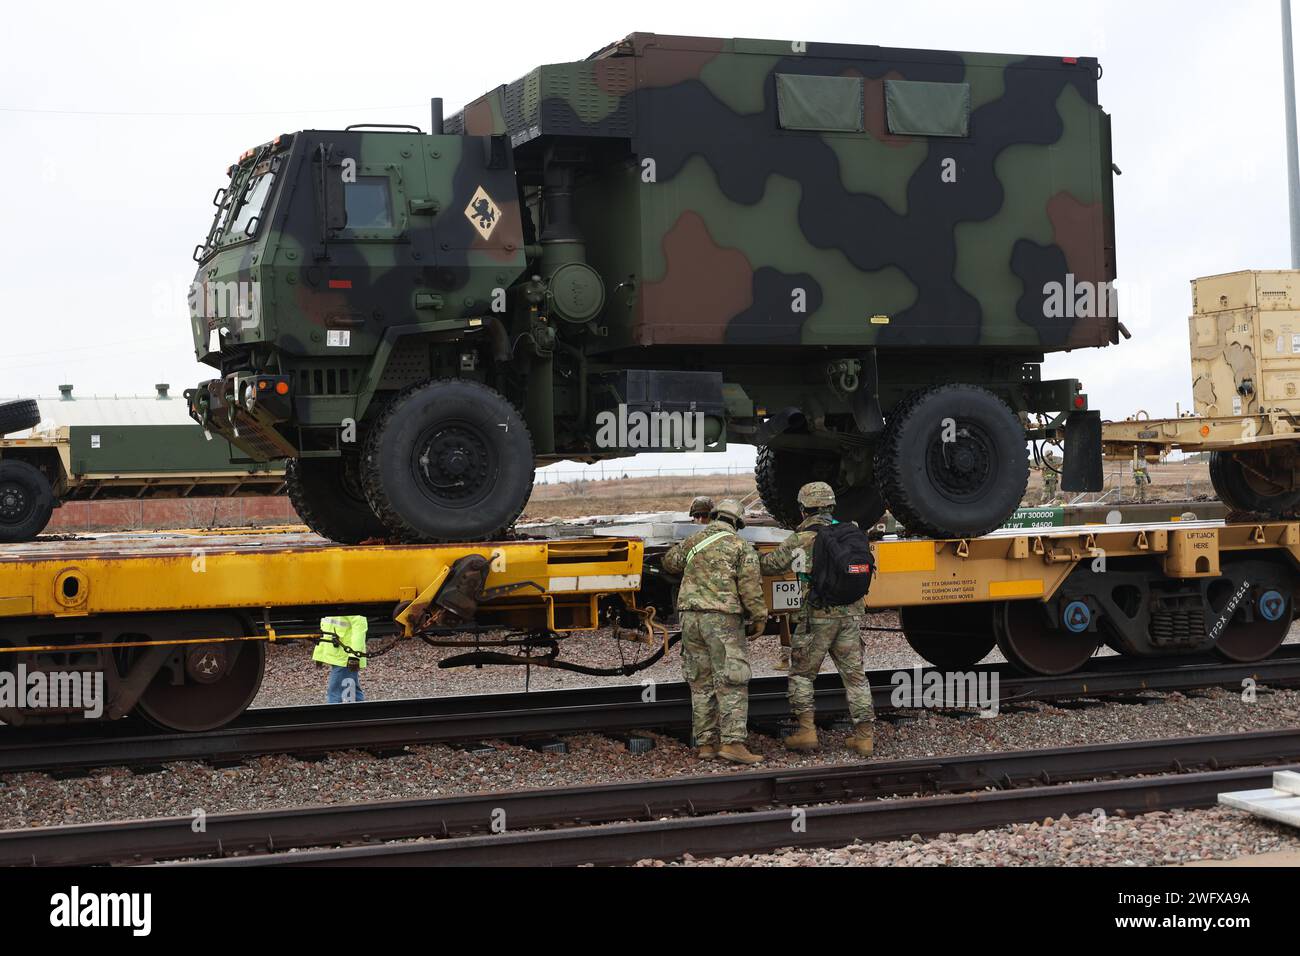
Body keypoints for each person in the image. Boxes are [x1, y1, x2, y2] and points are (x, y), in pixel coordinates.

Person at [758, 482, 874, 756]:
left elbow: (770, 565)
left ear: (803, 510)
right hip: (850, 615)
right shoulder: (851, 533)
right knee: (856, 677)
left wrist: (748, 556)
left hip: (816, 618)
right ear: (831, 507)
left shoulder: (800, 539)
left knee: (802, 675)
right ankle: (864, 738)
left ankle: (807, 732)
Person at [661, 498, 768, 764]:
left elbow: (670, 563)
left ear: (715, 516)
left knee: (701, 682)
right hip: (722, 620)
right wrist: (759, 616)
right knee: (732, 679)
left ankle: (706, 744)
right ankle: (732, 744)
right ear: (738, 523)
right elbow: (750, 589)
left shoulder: (694, 541)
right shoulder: (740, 547)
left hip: (689, 618)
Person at [315, 614, 368, 703]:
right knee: (351, 693)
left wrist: (353, 656)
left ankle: (335, 715)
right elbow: (326, 630)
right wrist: (319, 655)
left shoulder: (350, 604)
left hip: (344, 658)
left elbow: (359, 629)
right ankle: (359, 714)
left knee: (335, 693)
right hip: (341, 656)